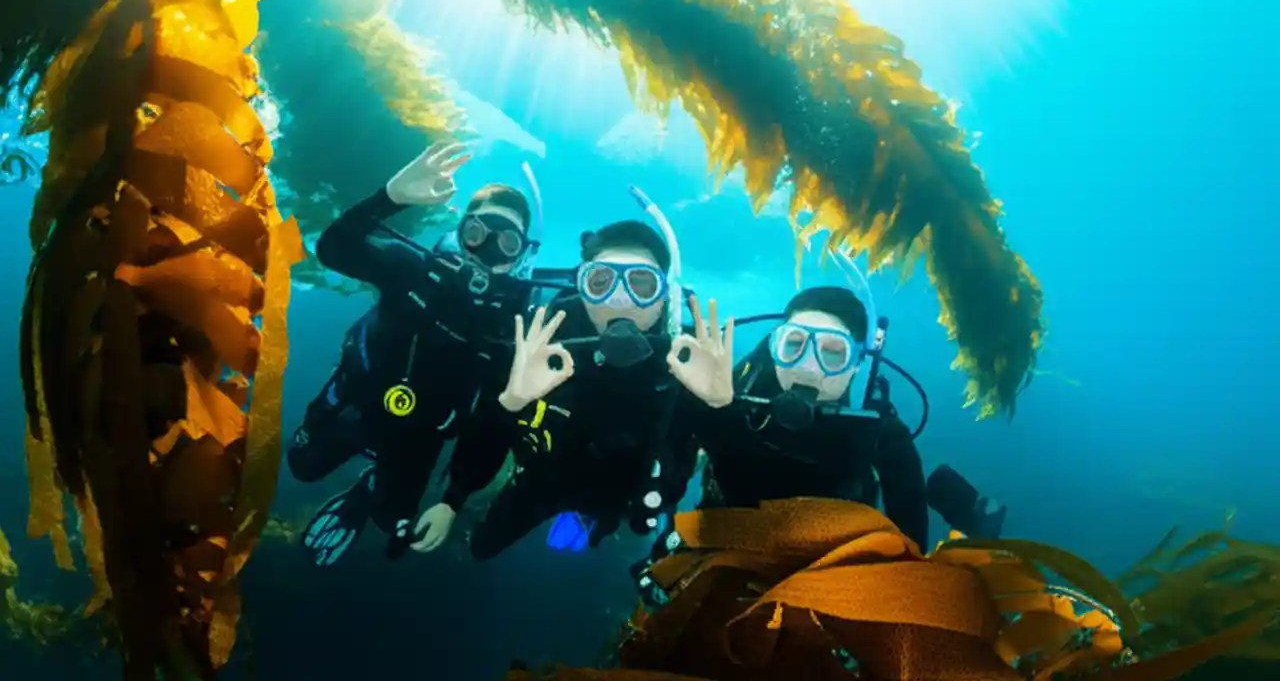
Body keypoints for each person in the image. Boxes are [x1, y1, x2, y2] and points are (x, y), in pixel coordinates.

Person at [634, 285, 1006, 598]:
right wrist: (709, 408)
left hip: (830, 573)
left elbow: (909, 550)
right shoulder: (736, 398)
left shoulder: (880, 435)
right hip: (719, 550)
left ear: (856, 364)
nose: (808, 367)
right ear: (774, 348)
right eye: (794, 345)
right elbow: (673, 471)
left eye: (833, 352)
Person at [414, 213, 736, 559]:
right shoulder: (544, 342)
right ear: (581, 288)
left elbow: (740, 469)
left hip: (632, 495)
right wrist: (453, 499)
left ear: (664, 296)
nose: (619, 300)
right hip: (544, 482)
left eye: (642, 285)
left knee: (634, 532)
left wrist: (720, 411)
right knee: (480, 549)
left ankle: (593, 525)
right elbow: (491, 427)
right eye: (600, 282)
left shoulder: (691, 359)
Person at [287, 141, 540, 566]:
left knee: (395, 529)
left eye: (507, 242)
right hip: (355, 402)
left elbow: (493, 422)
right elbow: (333, 250)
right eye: (477, 233)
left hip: (421, 437)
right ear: (460, 234)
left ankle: (369, 491)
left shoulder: (511, 328)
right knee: (302, 466)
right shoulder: (413, 270)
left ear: (523, 254)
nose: (486, 251)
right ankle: (370, 480)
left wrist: (453, 500)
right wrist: (390, 198)